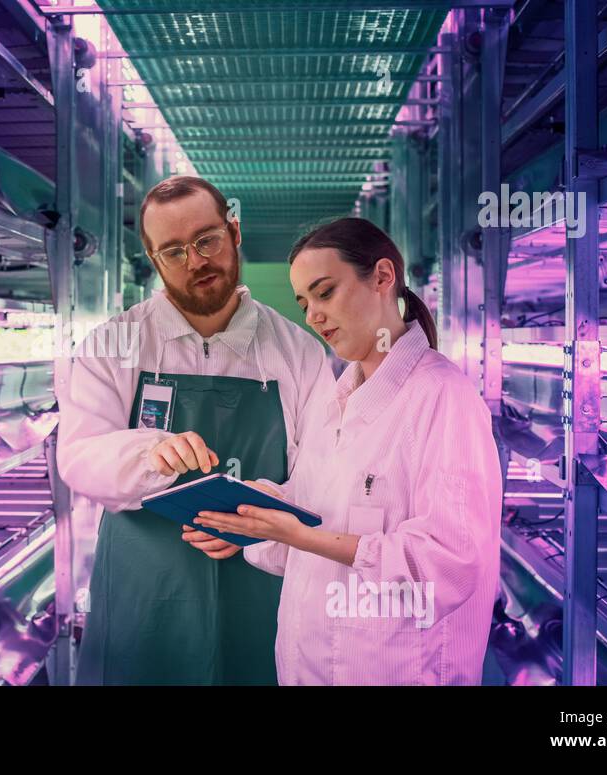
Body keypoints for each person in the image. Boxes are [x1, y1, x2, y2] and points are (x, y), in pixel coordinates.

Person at [192, 217, 501, 685]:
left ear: (381, 277)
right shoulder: (337, 401)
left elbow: (449, 566)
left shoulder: (442, 397)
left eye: (325, 292)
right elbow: (315, 519)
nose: (312, 315)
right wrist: (253, 521)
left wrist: (299, 535)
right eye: (303, 302)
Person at [55, 176, 333, 685]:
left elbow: (325, 472)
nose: (195, 261)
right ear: (153, 260)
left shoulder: (299, 351)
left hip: (263, 587)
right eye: (173, 251)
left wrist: (262, 514)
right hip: (143, 595)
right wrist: (150, 454)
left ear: (234, 231)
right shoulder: (113, 346)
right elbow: (78, 455)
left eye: (207, 240)